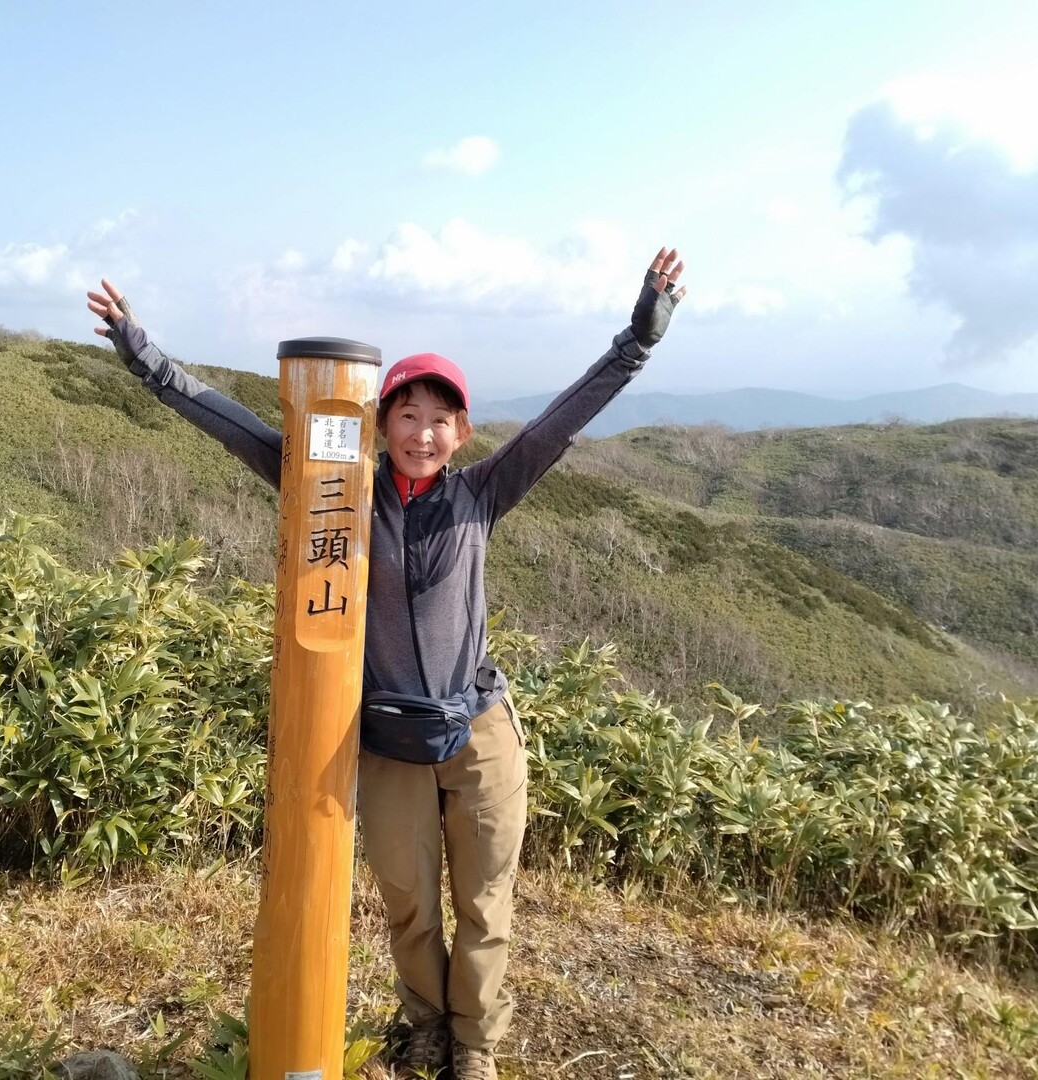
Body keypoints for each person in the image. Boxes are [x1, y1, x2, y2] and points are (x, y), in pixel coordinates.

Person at [86, 248, 686, 1080]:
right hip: (391, 737)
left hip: (477, 729)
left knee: (484, 904)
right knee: (410, 906)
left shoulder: (481, 494)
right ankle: (427, 1028)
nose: (424, 431)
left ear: (462, 433)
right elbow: (231, 422)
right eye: (408, 414)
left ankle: (474, 1047)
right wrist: (141, 354)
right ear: (381, 424)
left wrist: (638, 340)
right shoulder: (336, 491)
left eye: (442, 417)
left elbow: (560, 420)